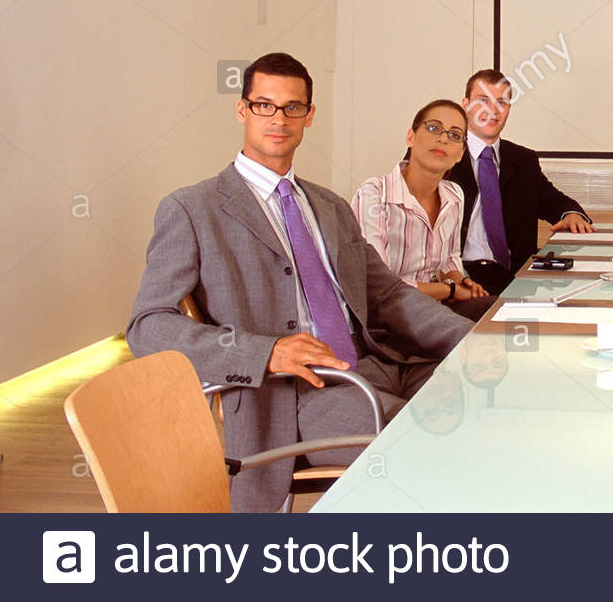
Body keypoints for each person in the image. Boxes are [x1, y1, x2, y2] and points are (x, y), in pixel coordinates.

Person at [127, 52, 471, 512]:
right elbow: (147, 326)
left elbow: (386, 294)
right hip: (296, 393)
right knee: (420, 450)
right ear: (242, 110)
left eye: (292, 107)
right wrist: (264, 352)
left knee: (478, 405)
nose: (278, 118)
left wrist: (476, 341)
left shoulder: (328, 206)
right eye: (264, 105)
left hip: (377, 364)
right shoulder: (193, 209)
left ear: (309, 116)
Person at [449, 69, 595, 295]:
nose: (493, 110)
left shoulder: (523, 160)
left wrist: (571, 215)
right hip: (461, 277)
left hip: (517, 277)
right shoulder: (442, 153)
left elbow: (555, 202)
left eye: (502, 102)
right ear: (465, 105)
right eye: (483, 100)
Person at [351, 100, 494, 322]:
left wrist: (460, 282)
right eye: (433, 128)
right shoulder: (374, 194)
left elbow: (449, 259)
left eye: (455, 135)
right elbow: (379, 285)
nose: (443, 138)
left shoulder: (454, 195)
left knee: (505, 313)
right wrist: (451, 291)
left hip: (438, 309)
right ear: (410, 137)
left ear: (460, 154)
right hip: (390, 315)